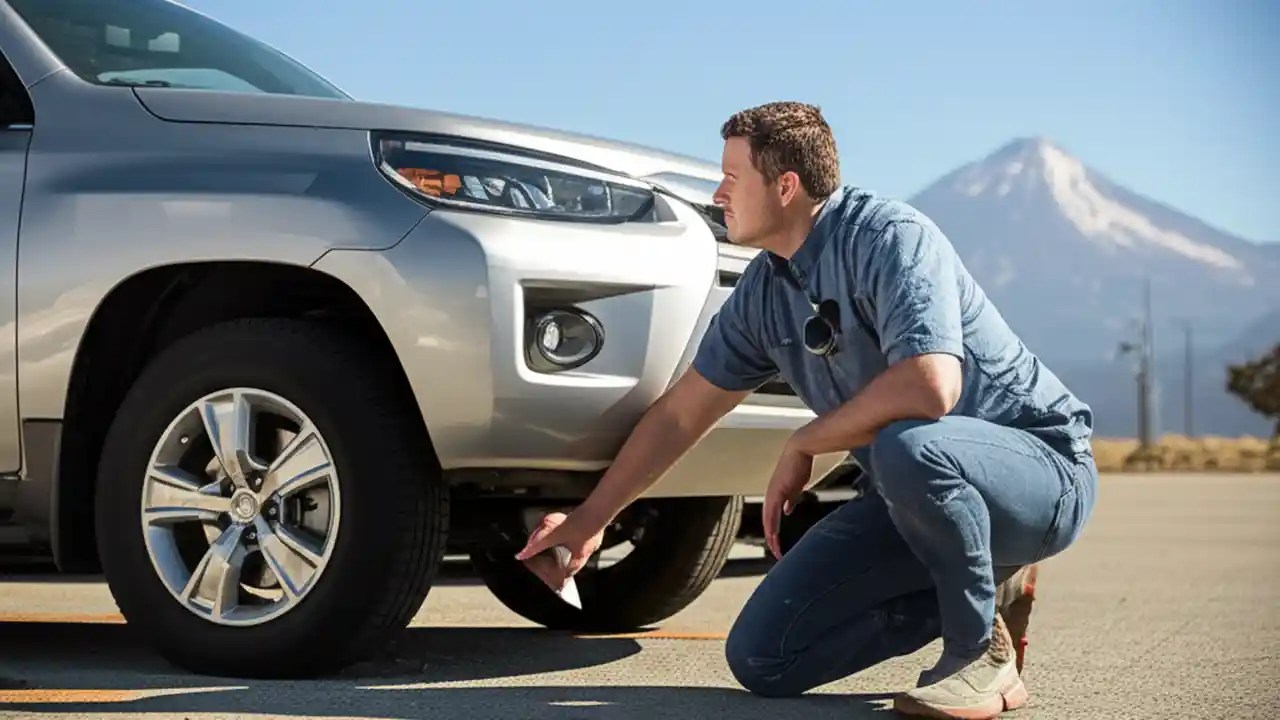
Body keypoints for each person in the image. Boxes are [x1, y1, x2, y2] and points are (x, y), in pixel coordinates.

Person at [515, 101, 1098, 718]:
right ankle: (991, 585)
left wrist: (805, 440)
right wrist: (589, 520)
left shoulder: (889, 238)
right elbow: (679, 415)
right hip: (915, 497)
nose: (718, 195)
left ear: (786, 186)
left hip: (1042, 473)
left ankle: (976, 656)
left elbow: (932, 386)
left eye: (732, 178)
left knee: (909, 445)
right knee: (764, 657)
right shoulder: (764, 292)